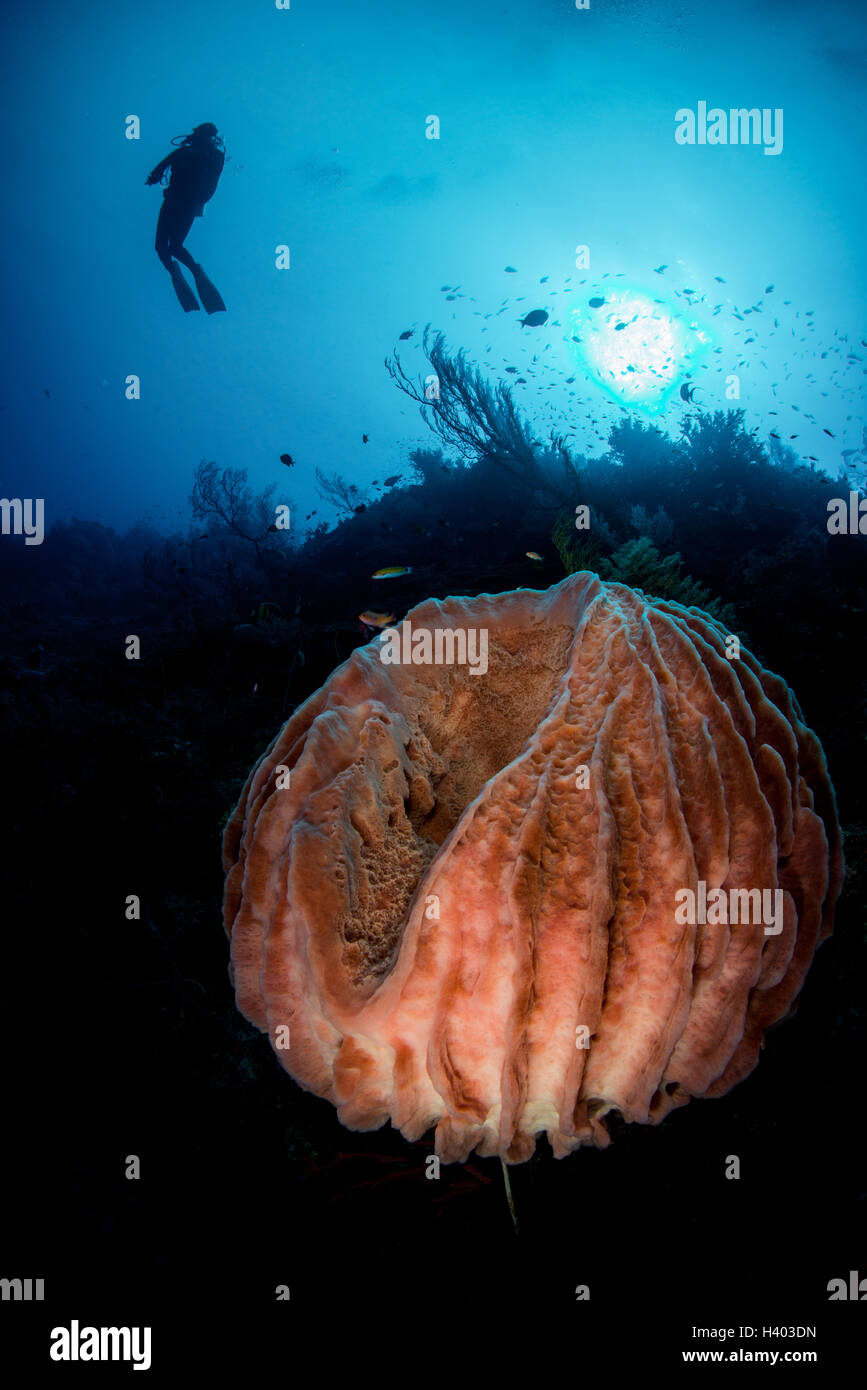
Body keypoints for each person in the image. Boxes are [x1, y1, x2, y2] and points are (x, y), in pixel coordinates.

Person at [146, 123, 226, 313]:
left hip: (175, 201)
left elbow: (159, 169)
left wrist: (152, 178)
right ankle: (194, 270)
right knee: (175, 246)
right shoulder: (213, 156)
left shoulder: (184, 153)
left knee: (162, 247)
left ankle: (176, 271)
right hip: (189, 204)